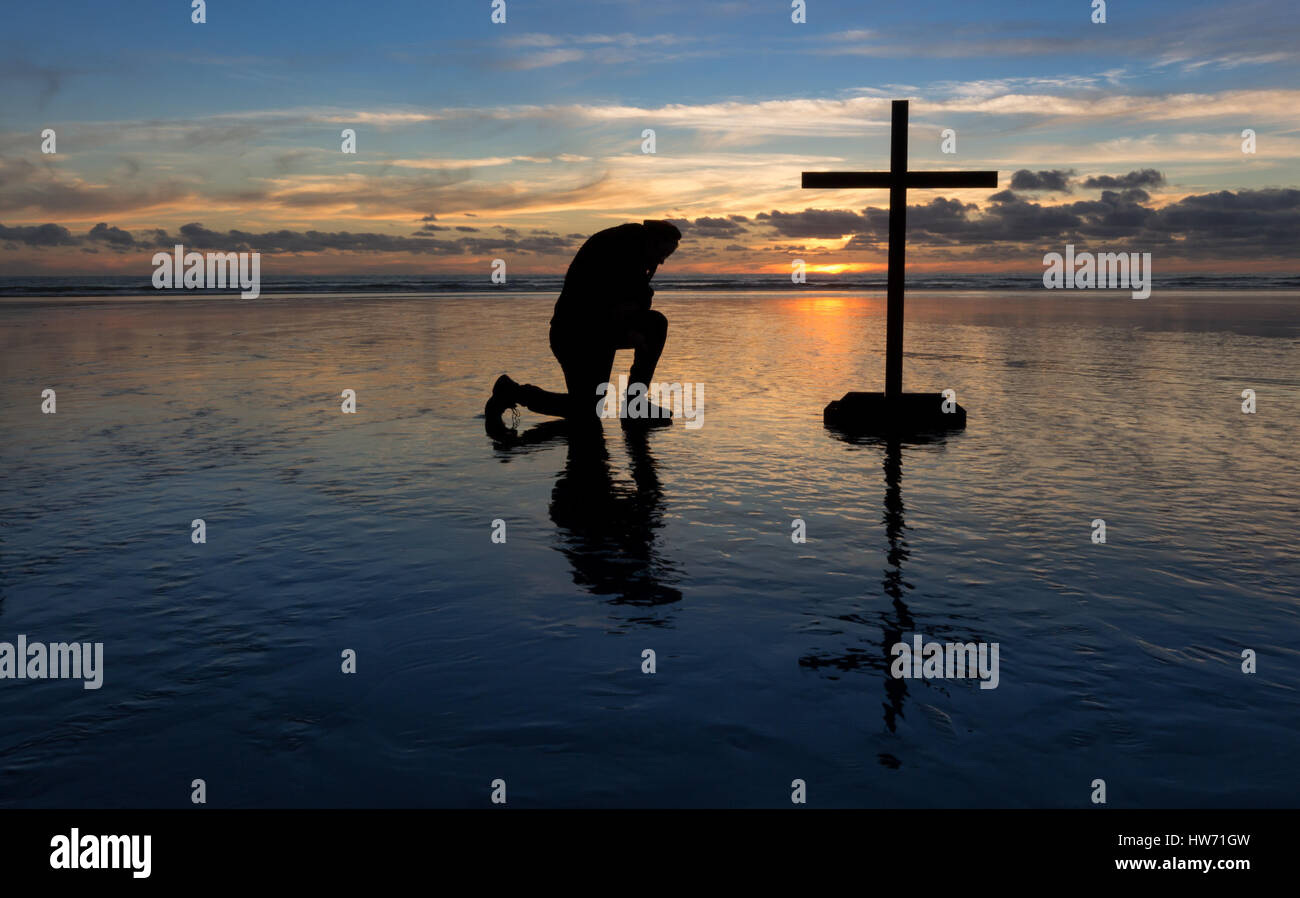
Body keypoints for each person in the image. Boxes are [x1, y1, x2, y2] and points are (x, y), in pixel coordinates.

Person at [486, 220, 681, 428]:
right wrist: (625, 328)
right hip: (574, 335)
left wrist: (628, 321)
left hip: (601, 333)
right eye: (663, 254)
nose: (661, 262)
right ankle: (513, 392)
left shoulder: (635, 253)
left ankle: (635, 404)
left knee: (656, 324)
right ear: (652, 241)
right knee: (586, 409)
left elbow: (637, 299)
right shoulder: (621, 250)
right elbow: (601, 303)